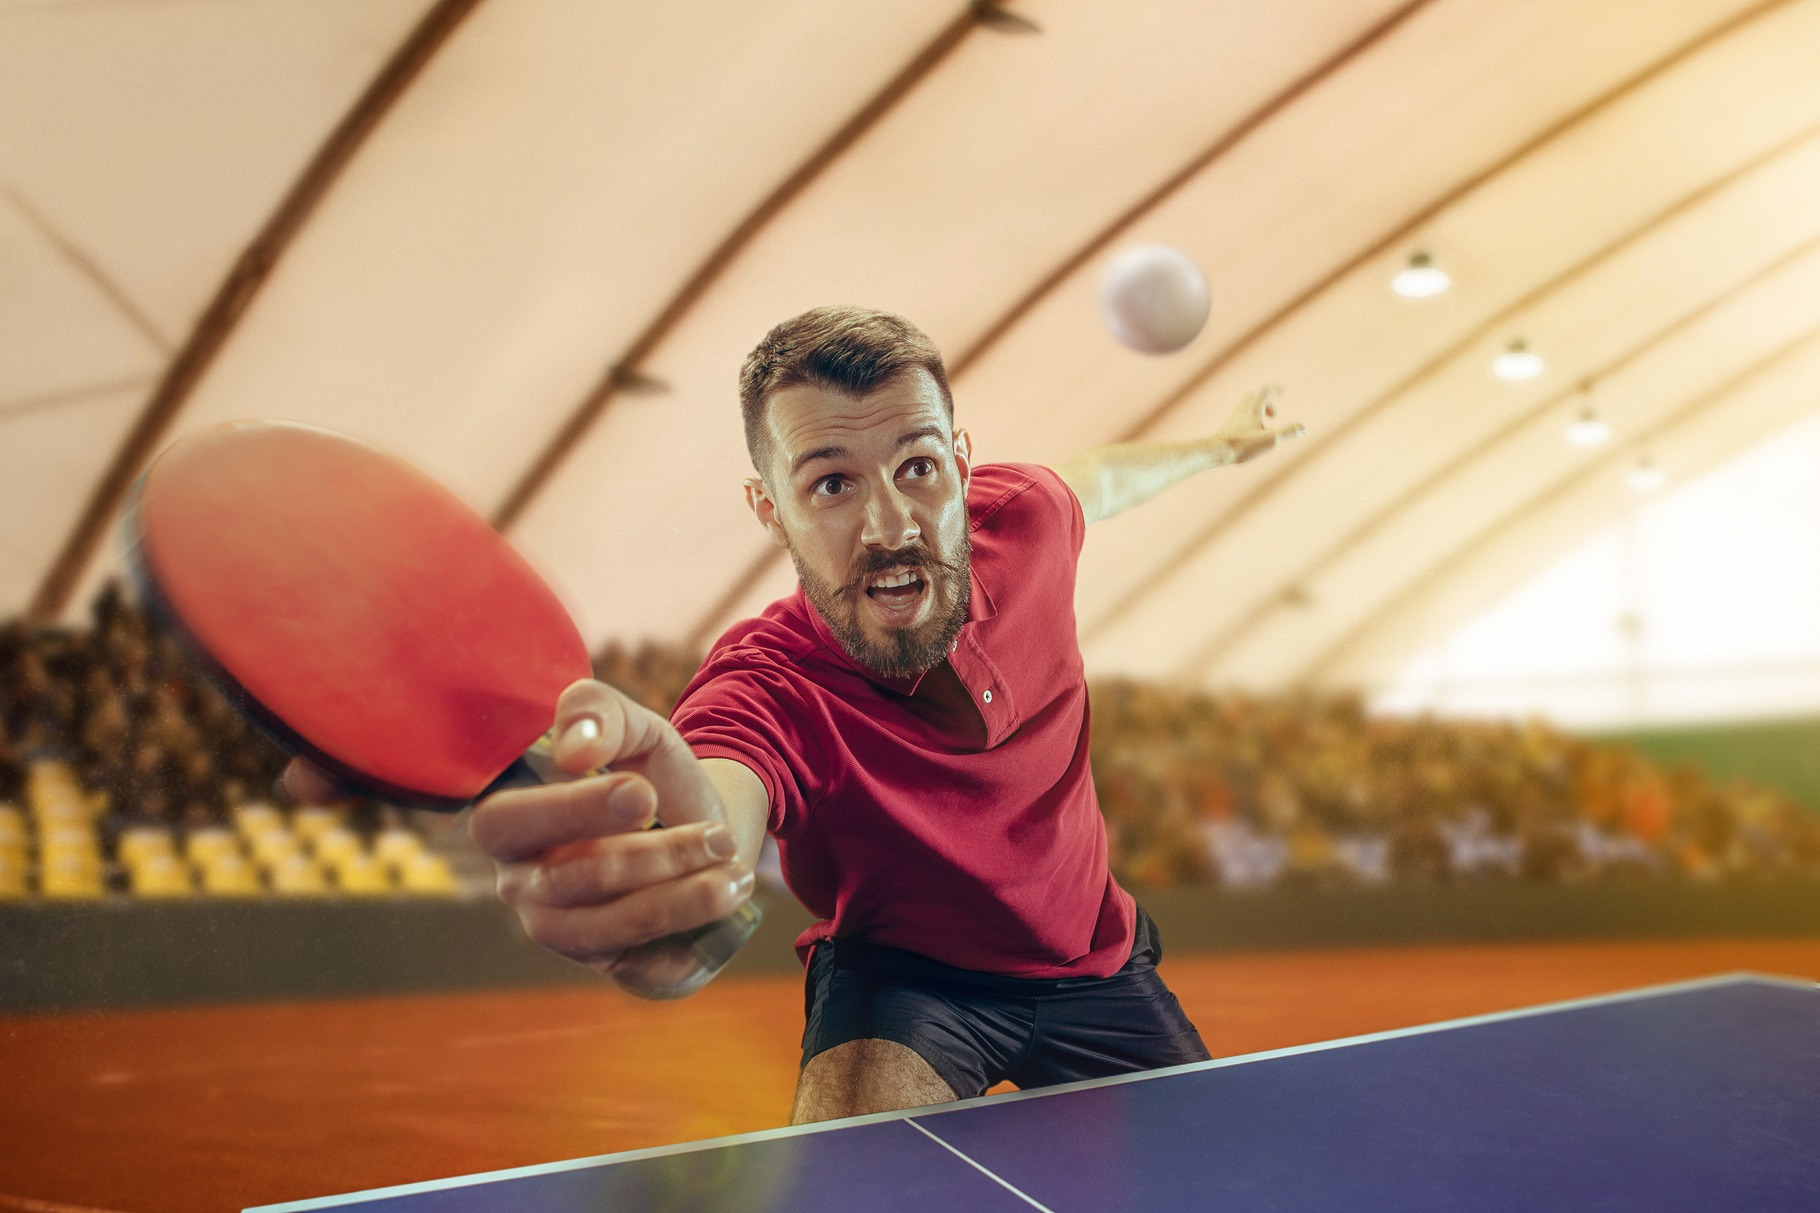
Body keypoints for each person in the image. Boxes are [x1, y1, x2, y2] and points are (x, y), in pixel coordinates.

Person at [290, 306, 1303, 1121]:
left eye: (916, 467)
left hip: (1097, 965)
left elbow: (1103, 478)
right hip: (908, 990)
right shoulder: (764, 682)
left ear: (959, 462)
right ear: (768, 509)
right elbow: (713, 790)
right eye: (829, 483)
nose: (889, 523)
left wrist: (1217, 448)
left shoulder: (1023, 520)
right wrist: (678, 844)